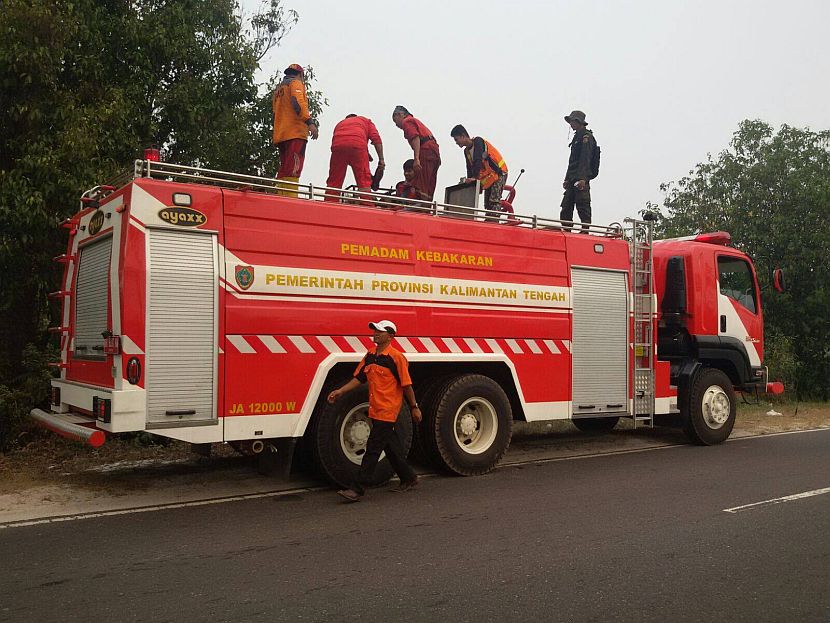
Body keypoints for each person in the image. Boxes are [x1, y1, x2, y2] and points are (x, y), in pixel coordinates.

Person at [327, 320, 421, 502]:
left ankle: (357, 489)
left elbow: (407, 385)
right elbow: (360, 378)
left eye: (380, 331)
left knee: (373, 448)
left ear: (391, 336)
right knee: (389, 444)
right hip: (375, 409)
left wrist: (414, 407)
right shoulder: (370, 355)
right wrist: (340, 391)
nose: (376, 333)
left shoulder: (396, 358)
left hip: (388, 410)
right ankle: (409, 477)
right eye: (375, 330)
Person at [272, 64, 319, 197]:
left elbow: (275, 113)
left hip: (281, 135)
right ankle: (290, 199)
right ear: (300, 75)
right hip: (295, 132)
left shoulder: (278, 91)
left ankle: (281, 197)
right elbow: (298, 102)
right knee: (294, 168)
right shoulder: (296, 83)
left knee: (284, 169)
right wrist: (310, 122)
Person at [450, 125, 509, 217]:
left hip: (499, 172)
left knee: (493, 200)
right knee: (487, 204)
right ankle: (489, 220)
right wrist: (471, 183)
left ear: (463, 136)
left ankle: (494, 222)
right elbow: (469, 168)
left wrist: (474, 178)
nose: (456, 143)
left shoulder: (478, 141)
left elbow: (478, 159)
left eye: (456, 139)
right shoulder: (467, 152)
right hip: (490, 175)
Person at [325, 114, 384, 203]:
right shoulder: (366, 121)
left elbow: (347, 142)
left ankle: (330, 203)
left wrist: (365, 153)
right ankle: (367, 204)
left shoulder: (340, 123)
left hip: (338, 147)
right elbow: (376, 139)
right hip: (358, 147)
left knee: (334, 180)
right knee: (364, 180)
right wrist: (381, 159)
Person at [391, 106, 441, 200]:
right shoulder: (415, 121)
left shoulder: (407, 121)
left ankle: (421, 207)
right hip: (434, 151)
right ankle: (426, 206)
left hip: (426, 150)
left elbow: (415, 138)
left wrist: (416, 159)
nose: (396, 125)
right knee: (429, 183)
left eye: (395, 120)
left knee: (421, 182)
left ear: (400, 115)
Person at [560, 110, 597, 231]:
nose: (571, 124)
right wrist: (566, 178)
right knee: (566, 206)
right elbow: (572, 161)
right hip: (572, 178)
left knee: (583, 206)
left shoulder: (587, 137)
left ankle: (585, 231)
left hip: (581, 178)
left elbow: (585, 159)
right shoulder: (576, 137)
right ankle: (566, 230)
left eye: (572, 121)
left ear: (579, 122)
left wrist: (583, 179)